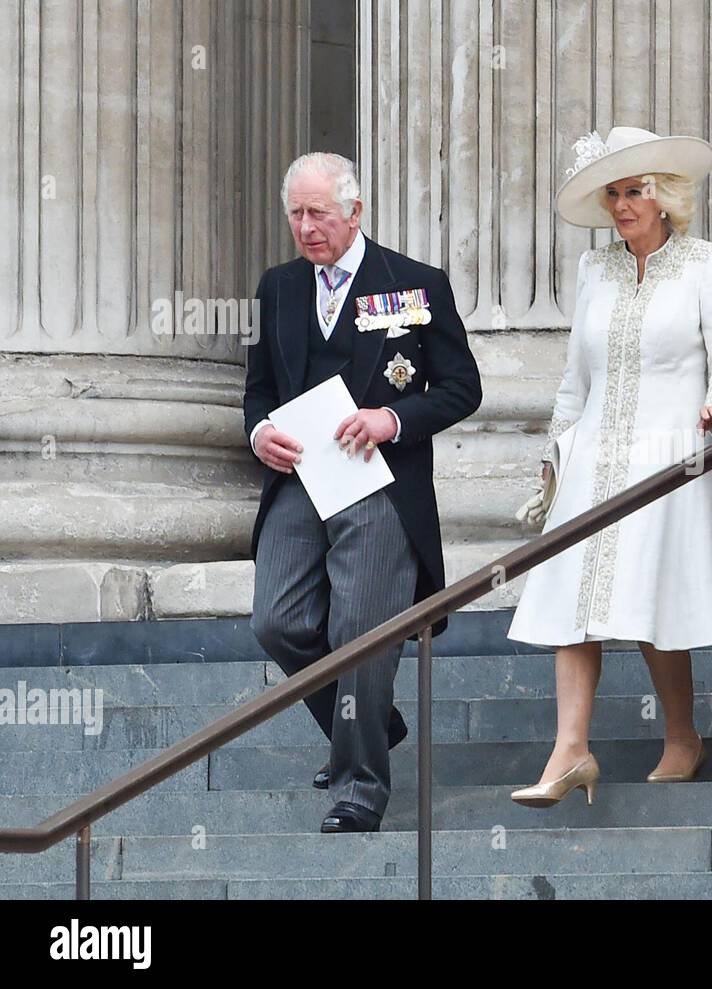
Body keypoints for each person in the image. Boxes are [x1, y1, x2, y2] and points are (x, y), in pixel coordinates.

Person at [506, 127, 712, 807]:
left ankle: (681, 735)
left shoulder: (708, 262)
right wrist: (553, 459)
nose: (622, 205)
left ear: (665, 196)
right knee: (573, 597)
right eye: (614, 193)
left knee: (654, 597)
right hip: (594, 453)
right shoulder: (594, 270)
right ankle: (570, 749)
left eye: (635, 190)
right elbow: (575, 377)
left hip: (669, 453)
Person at [244, 152, 482, 831]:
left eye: (318, 212)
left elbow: (463, 387)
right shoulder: (279, 286)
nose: (306, 226)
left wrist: (394, 418)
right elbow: (259, 389)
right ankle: (372, 721)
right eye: (295, 213)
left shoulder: (413, 283)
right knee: (277, 620)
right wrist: (259, 432)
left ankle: (360, 784)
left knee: (362, 632)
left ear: (355, 211)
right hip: (300, 478)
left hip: (381, 481)